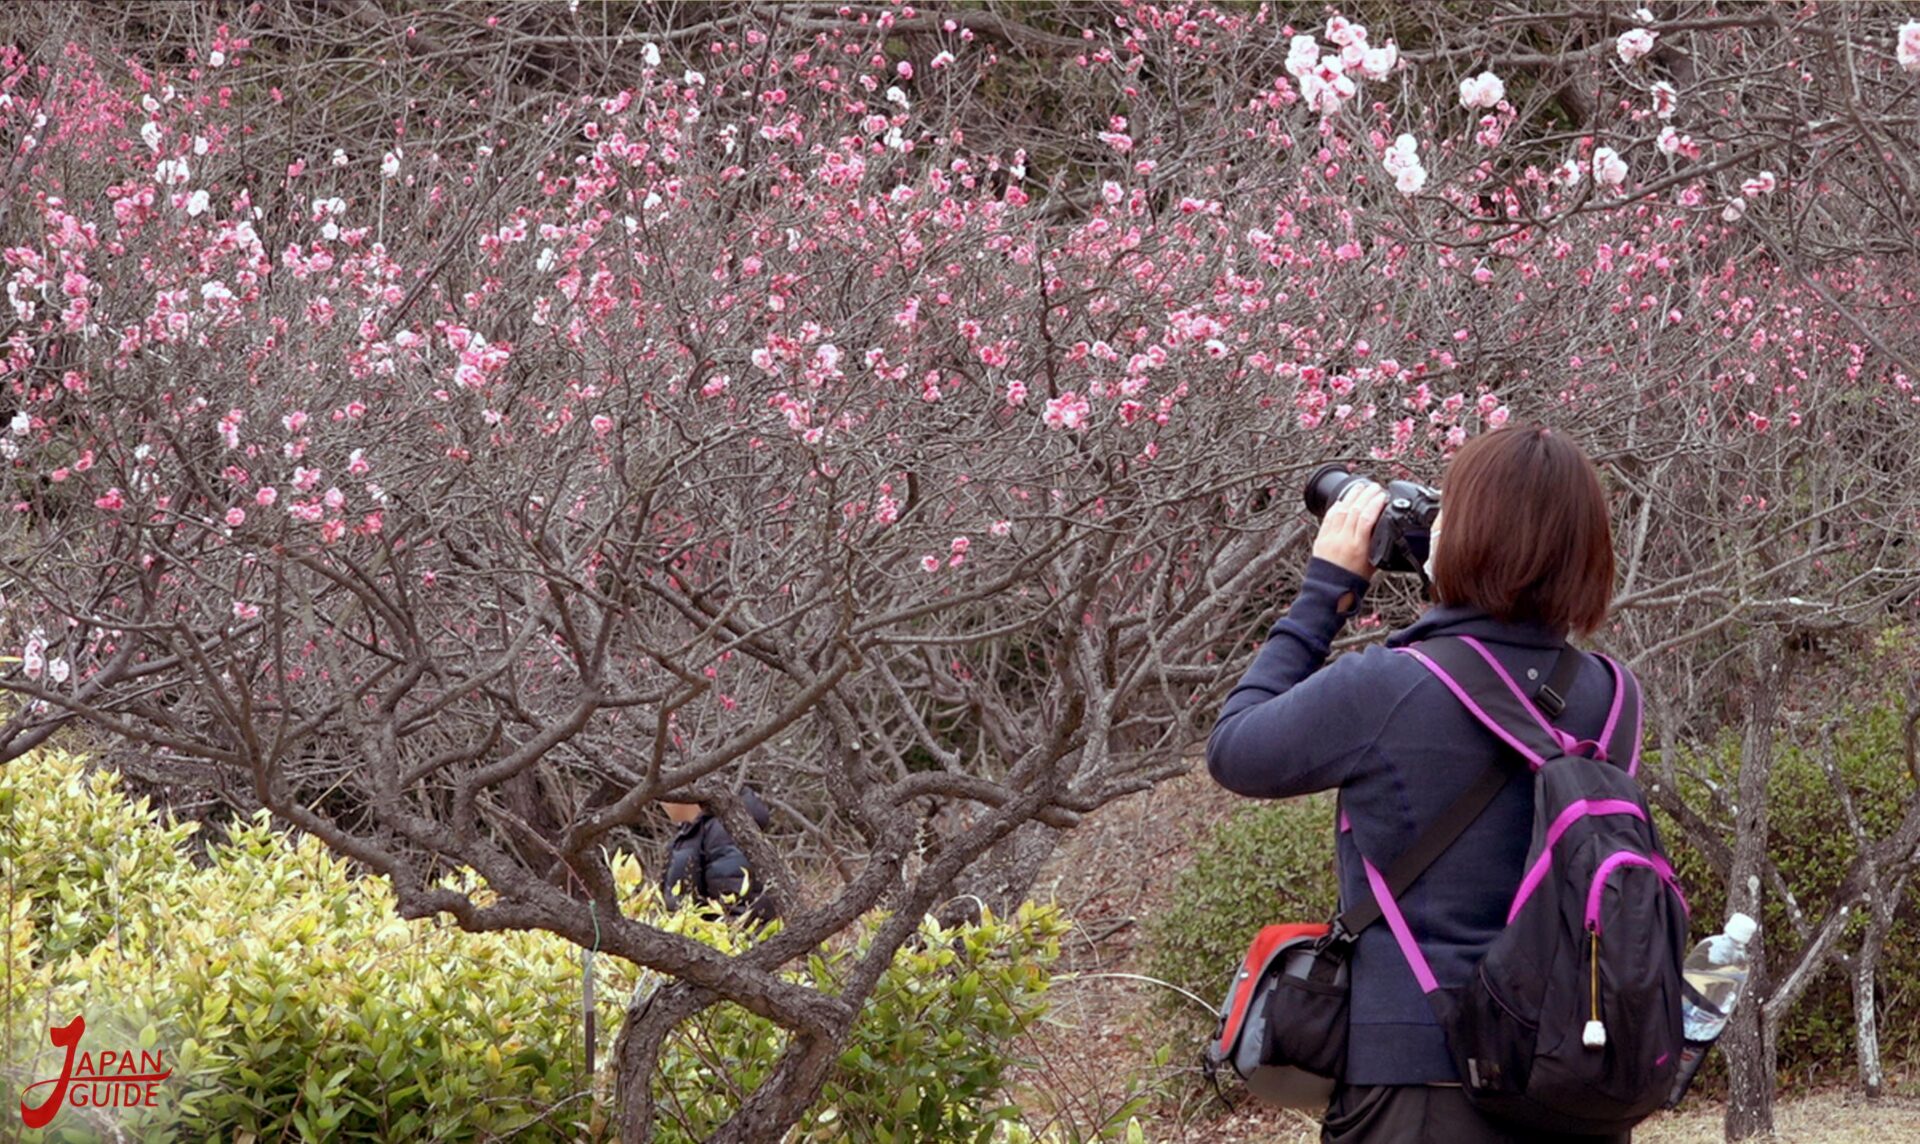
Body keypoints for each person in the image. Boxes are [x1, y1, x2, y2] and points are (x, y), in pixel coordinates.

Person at [1207, 426, 1629, 1144]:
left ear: (1464, 537)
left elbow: (1236, 749)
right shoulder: (1614, 695)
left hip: (1419, 1081)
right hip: (1568, 1081)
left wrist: (1326, 592)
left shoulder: (1393, 685)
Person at [660, 789, 776, 922]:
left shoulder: (722, 830)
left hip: (723, 937)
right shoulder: (690, 833)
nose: (661, 803)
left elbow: (736, 901)